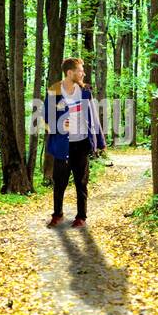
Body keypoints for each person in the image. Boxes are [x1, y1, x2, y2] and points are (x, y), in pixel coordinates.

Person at [45, 57, 106, 228]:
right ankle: (57, 215)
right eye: (80, 70)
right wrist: (58, 124)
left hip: (81, 144)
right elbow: (46, 119)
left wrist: (100, 142)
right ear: (70, 73)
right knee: (59, 183)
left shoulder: (86, 91)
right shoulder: (54, 91)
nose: (83, 73)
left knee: (81, 182)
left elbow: (93, 118)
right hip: (62, 146)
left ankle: (81, 217)